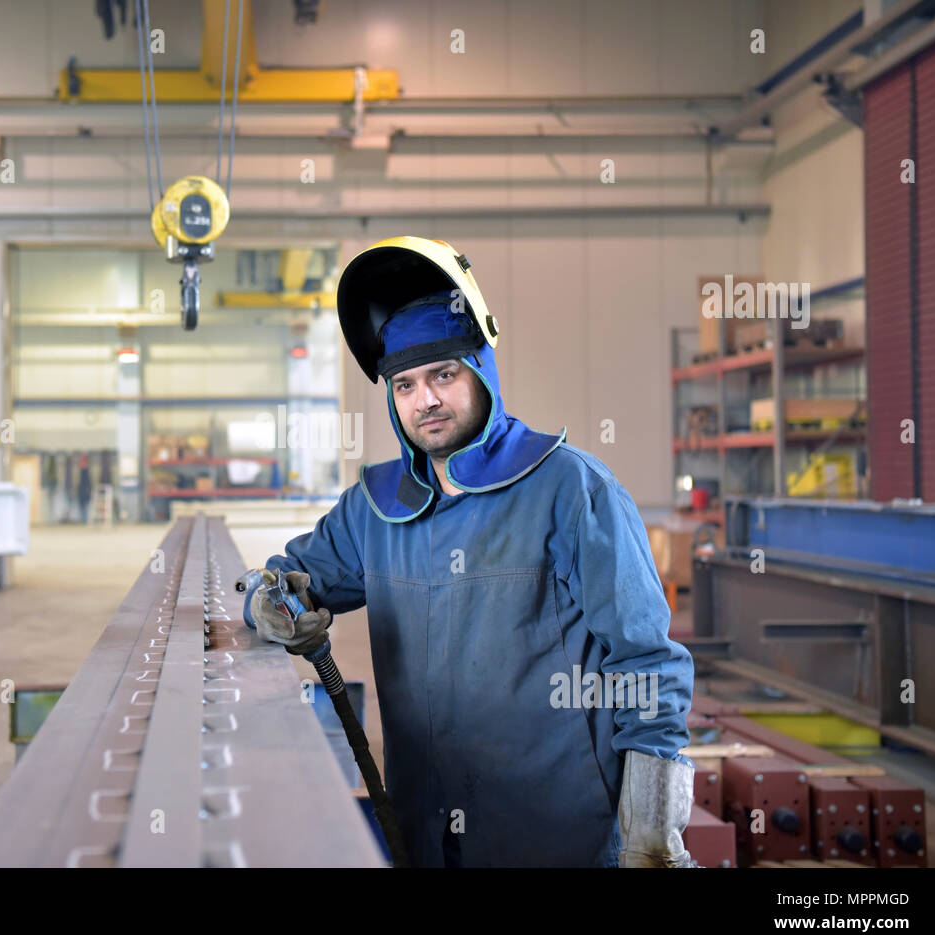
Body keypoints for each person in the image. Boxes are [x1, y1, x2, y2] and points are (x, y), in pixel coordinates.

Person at [242, 237, 695, 867]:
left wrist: (651, 832)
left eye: (443, 375)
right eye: (404, 384)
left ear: (481, 368)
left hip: (555, 835)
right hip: (426, 833)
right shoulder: (374, 506)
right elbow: (286, 582)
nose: (424, 399)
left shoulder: (568, 487)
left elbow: (646, 663)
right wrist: (267, 603)